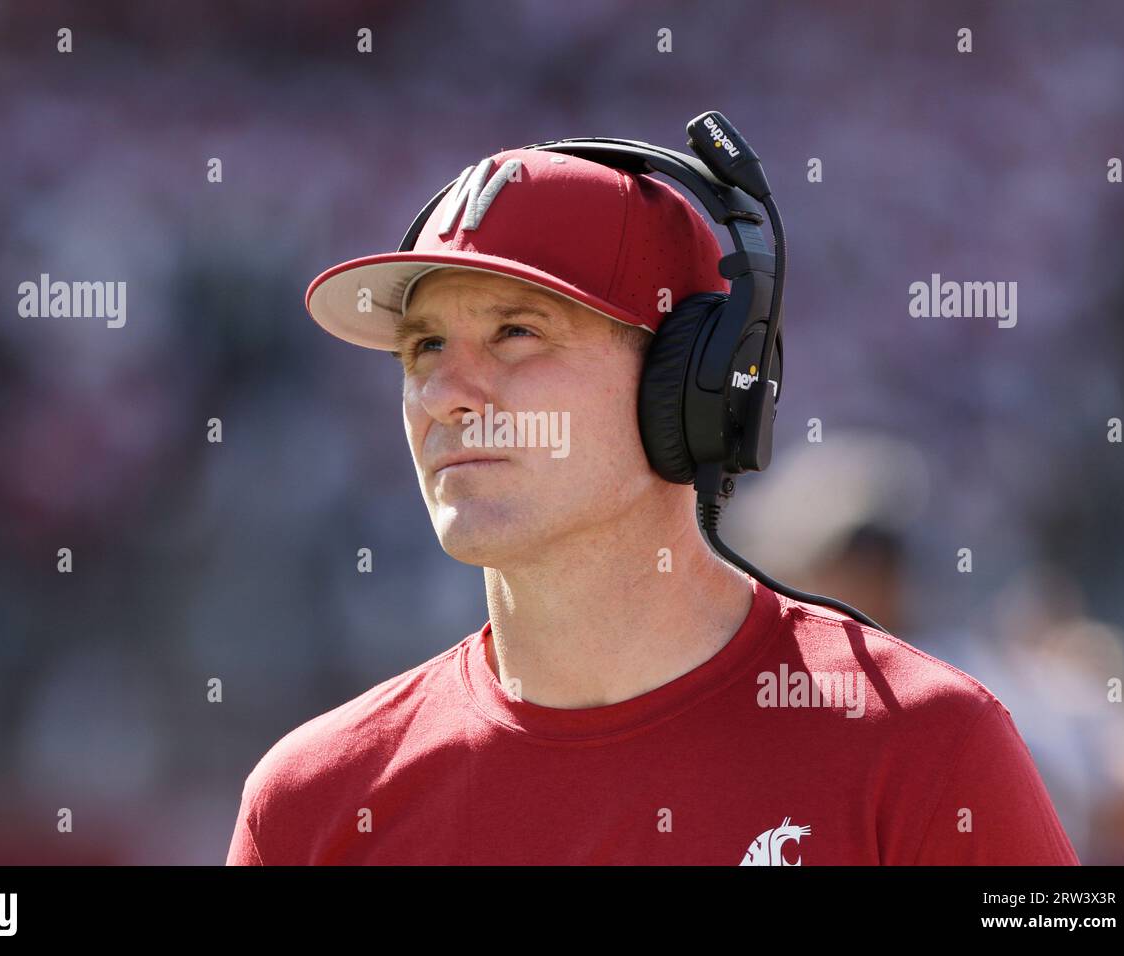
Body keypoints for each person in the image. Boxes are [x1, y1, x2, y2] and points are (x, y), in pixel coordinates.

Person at [226, 146, 1079, 864]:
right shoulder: (310, 803)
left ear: (694, 388)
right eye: (424, 346)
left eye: (517, 333)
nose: (447, 393)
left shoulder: (927, 748)